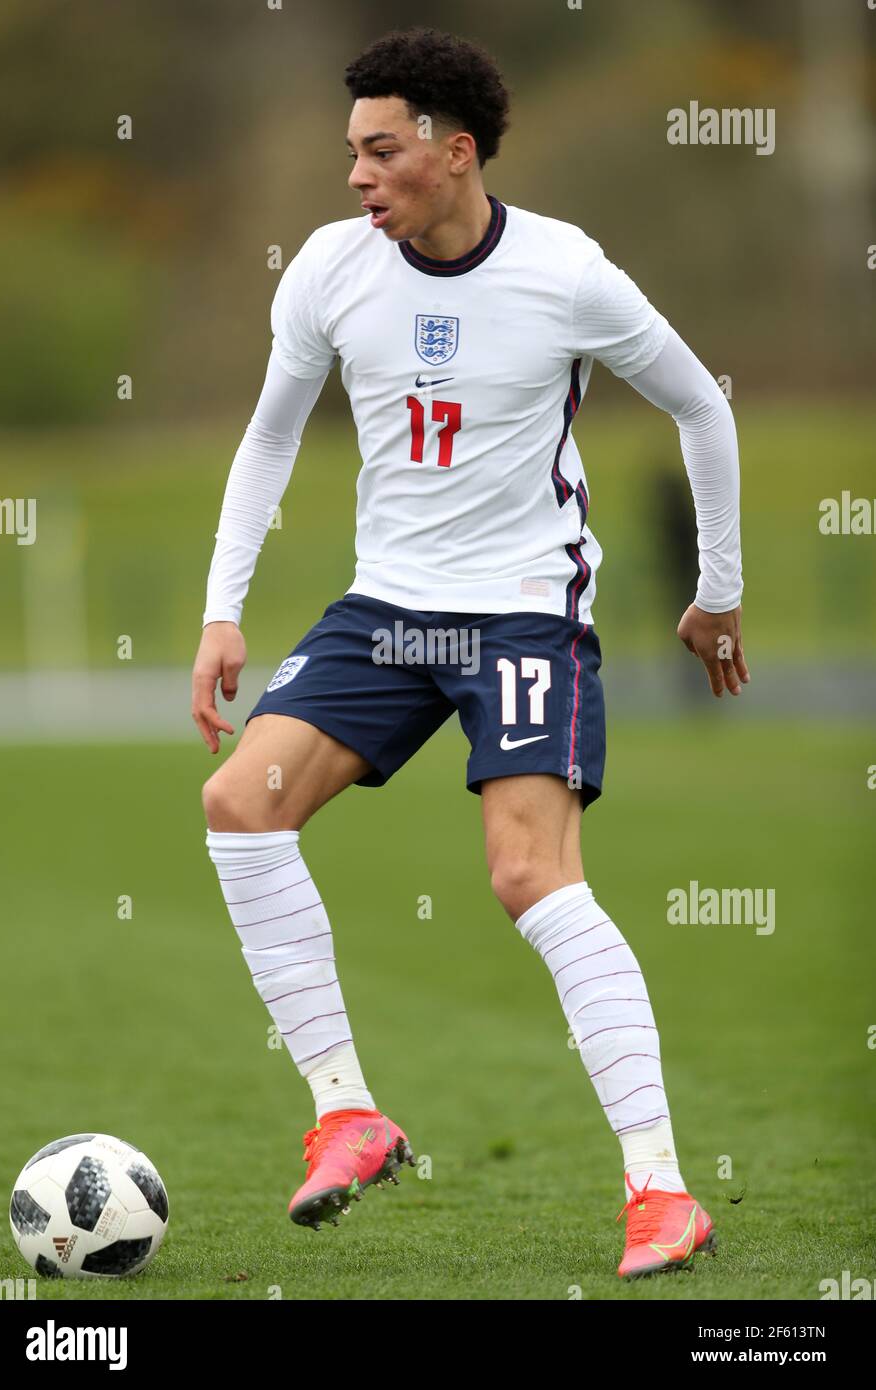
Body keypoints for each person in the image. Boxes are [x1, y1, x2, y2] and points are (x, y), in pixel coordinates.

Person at [192, 26, 747, 1279]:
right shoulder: (331, 272)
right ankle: (348, 1113)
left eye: (380, 151)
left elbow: (700, 402)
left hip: (519, 614)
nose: (355, 177)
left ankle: (660, 1191)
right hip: (385, 609)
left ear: (455, 152)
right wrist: (223, 609)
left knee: (527, 878)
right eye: (351, 152)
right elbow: (269, 437)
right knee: (239, 803)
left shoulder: (568, 273)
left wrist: (718, 592)